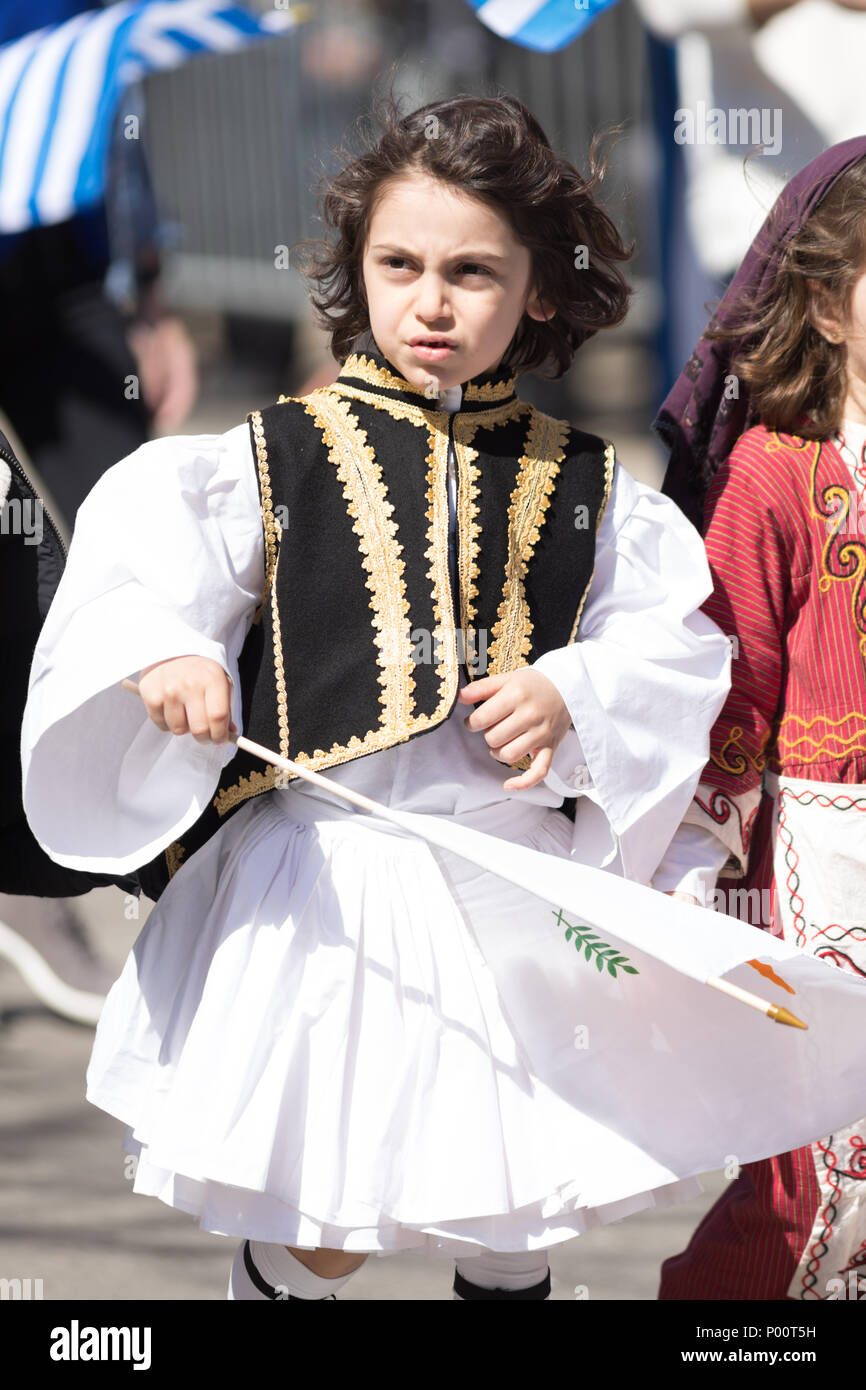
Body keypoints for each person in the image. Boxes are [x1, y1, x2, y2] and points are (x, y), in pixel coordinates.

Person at [19, 91, 732, 1301]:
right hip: (327, 888)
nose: (431, 302)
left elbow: (668, 648)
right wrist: (169, 653)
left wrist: (573, 694)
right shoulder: (269, 458)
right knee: (326, 1211)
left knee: (510, 1213)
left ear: (540, 292)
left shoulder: (591, 486)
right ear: (354, 269)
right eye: (397, 265)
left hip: (506, 884)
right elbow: (143, 573)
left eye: (472, 271)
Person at [651, 135, 866, 1299]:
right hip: (821, 875)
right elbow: (730, 696)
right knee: (811, 1179)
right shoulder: (776, 478)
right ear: (829, 310)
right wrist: (691, 864)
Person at [0, 0, 198, 1024]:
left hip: (65, 268)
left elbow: (109, 79)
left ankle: (123, 863)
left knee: (118, 559)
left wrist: (148, 294)